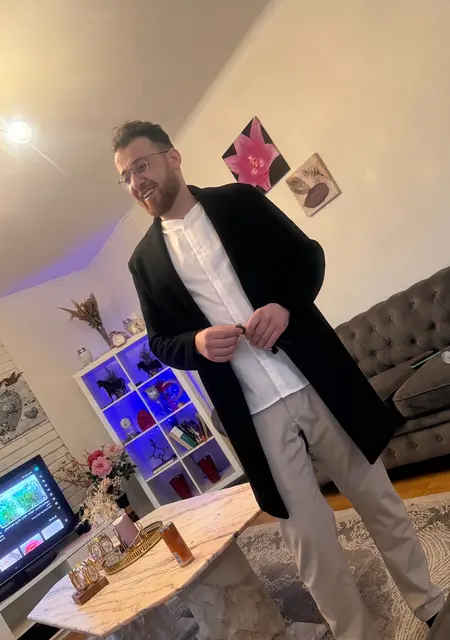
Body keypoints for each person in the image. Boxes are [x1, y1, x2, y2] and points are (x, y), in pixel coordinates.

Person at [113, 120, 444, 639]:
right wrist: (196, 343)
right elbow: (160, 342)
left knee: (377, 498)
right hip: (252, 412)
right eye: (126, 177)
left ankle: (429, 603)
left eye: (141, 165)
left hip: (317, 380)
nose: (136, 182)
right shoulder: (144, 263)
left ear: (172, 158)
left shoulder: (241, 202)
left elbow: (308, 258)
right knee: (308, 540)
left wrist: (284, 306)